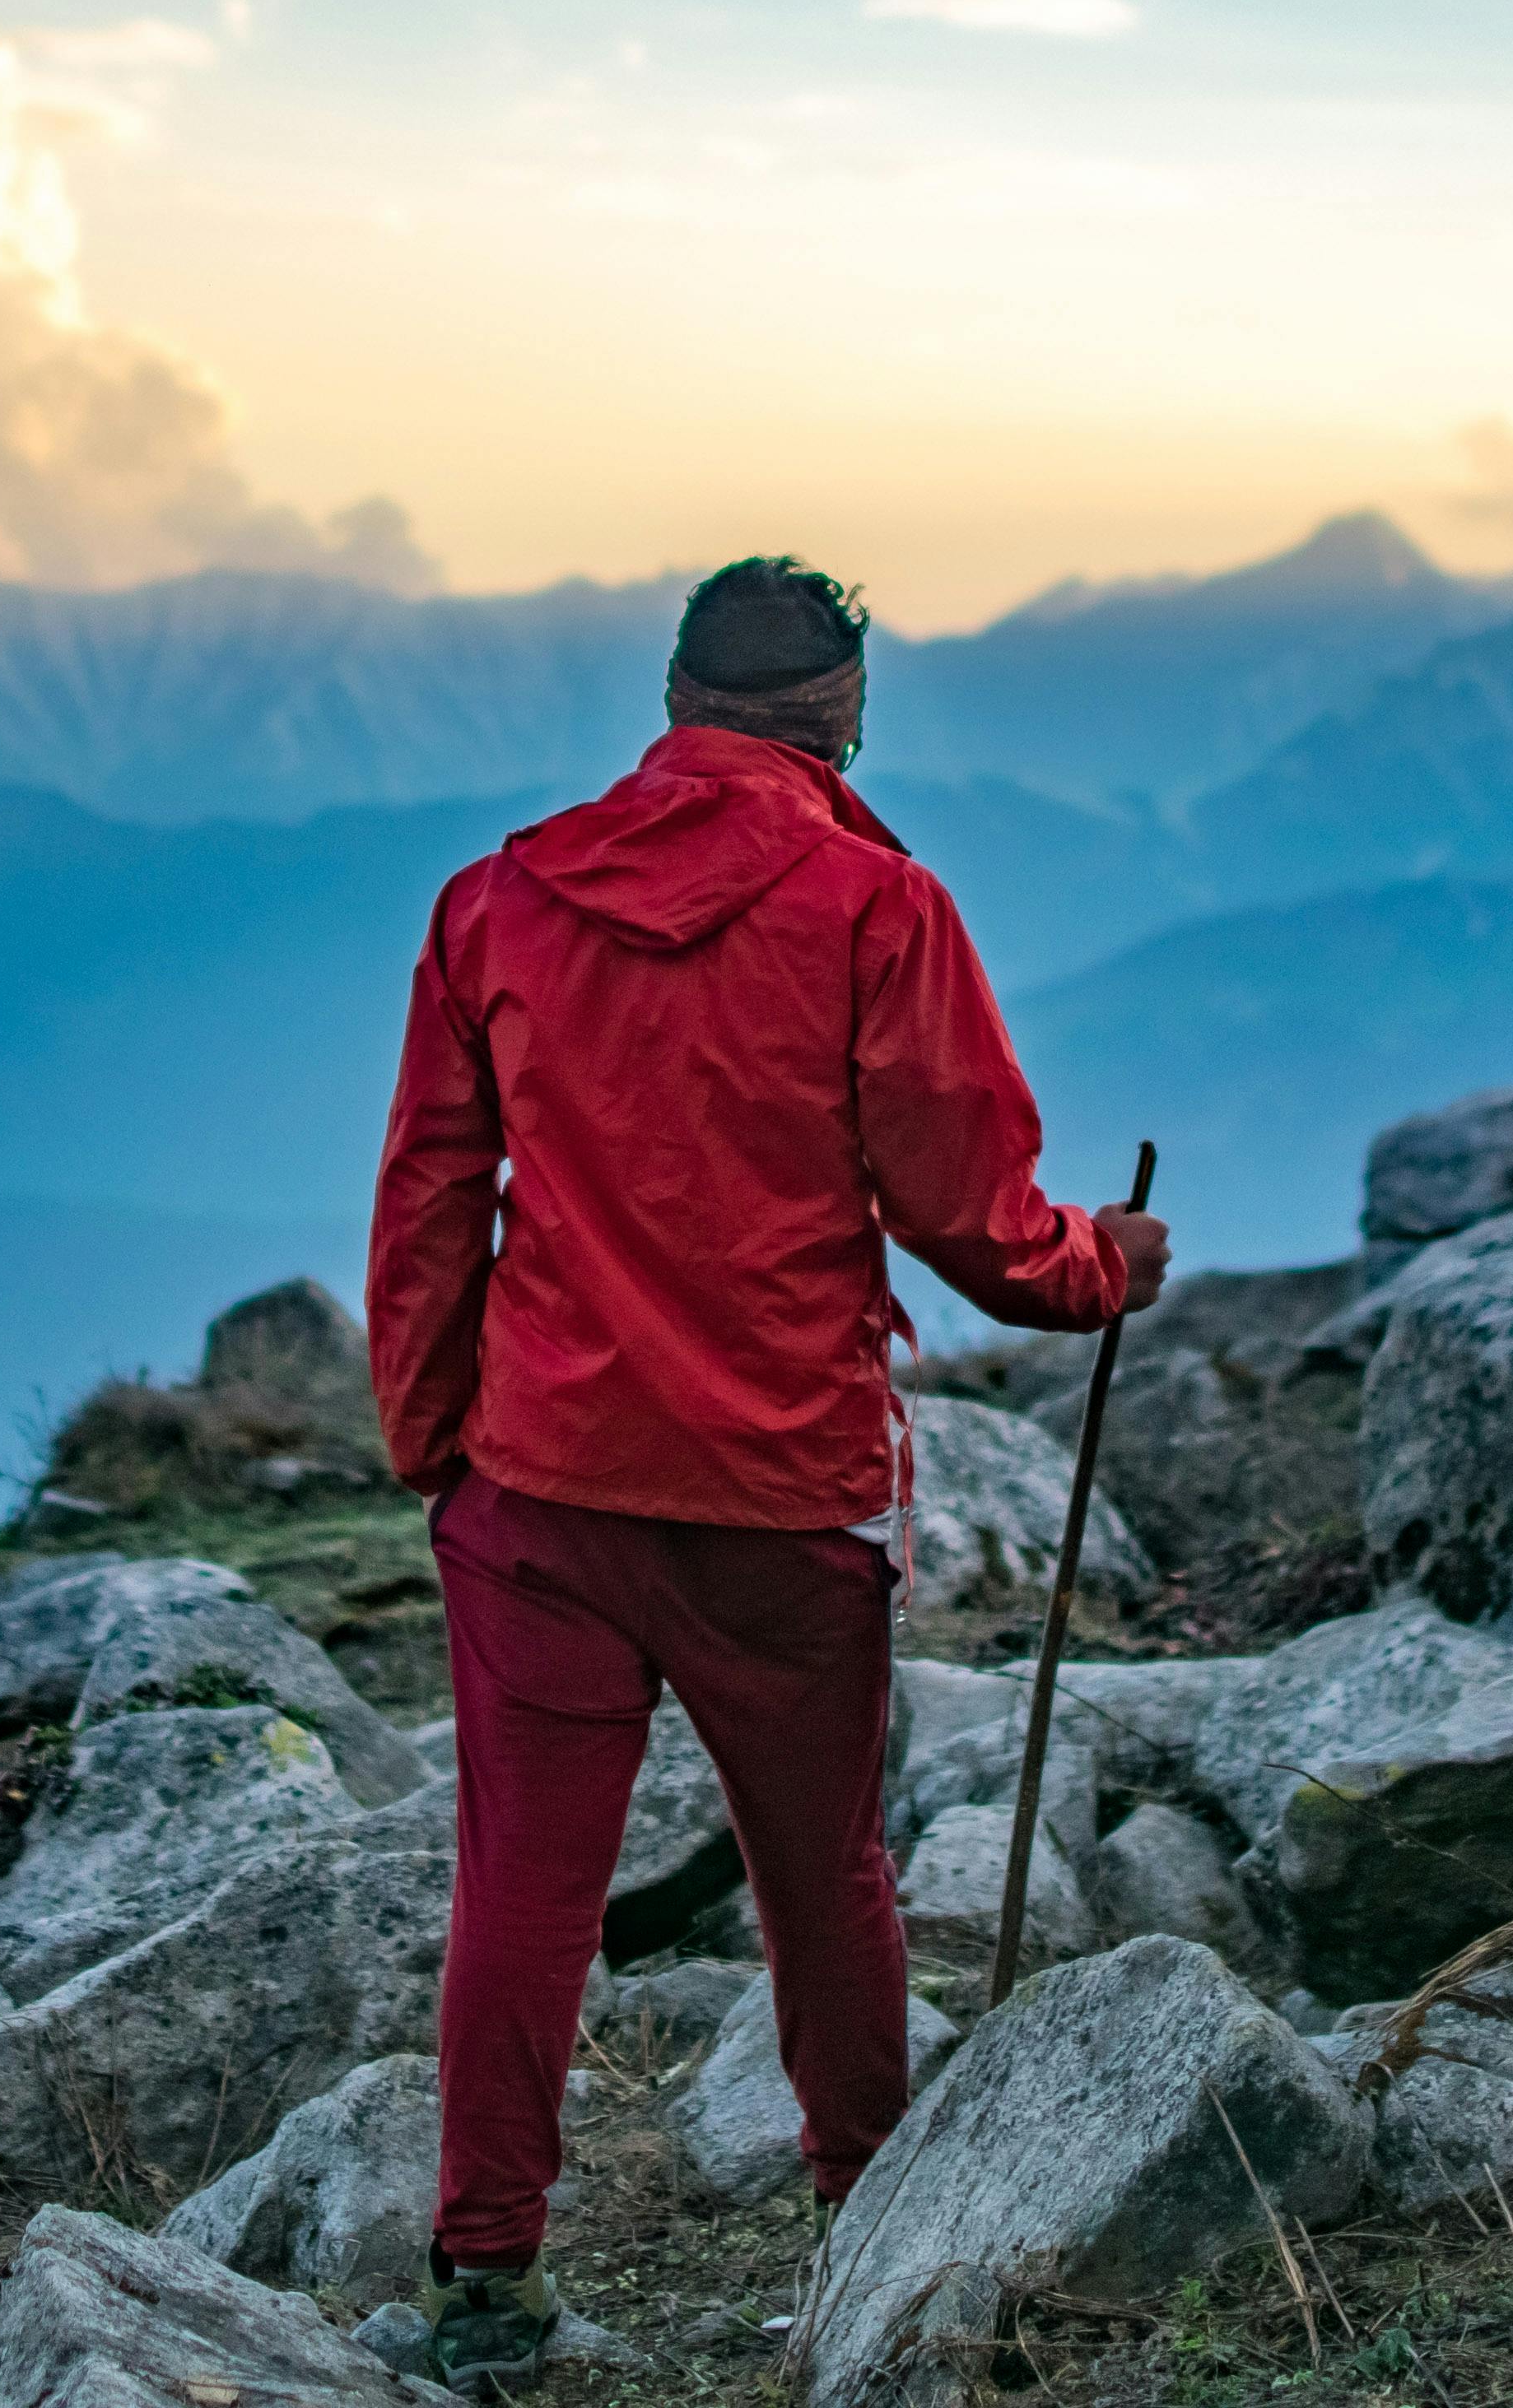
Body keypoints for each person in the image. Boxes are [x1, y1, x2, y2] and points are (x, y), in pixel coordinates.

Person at [364, 553, 1171, 2391]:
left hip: (543, 1494)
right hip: (784, 1499)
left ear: (671, 695)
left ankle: (485, 2288)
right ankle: (865, 2233)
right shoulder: (879, 910)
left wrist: (437, 1444)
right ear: (847, 710)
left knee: (519, 1893)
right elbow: (973, 1217)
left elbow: (430, 1196)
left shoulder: (495, 900)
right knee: (825, 1881)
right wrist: (1100, 1267)